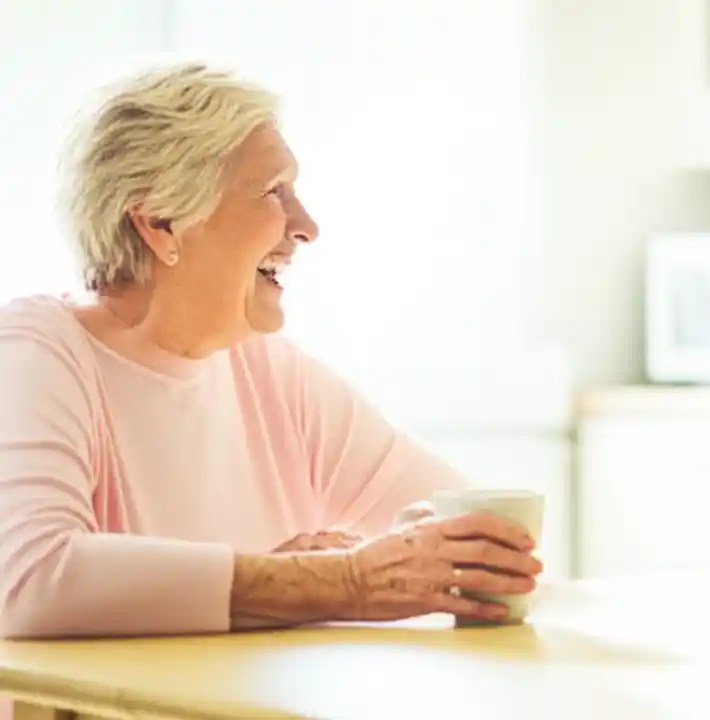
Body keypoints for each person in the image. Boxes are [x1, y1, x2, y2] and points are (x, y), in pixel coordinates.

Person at [0, 63, 543, 640]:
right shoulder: (36, 352)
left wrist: (335, 573)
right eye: (272, 192)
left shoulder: (268, 370)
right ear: (159, 223)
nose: (307, 226)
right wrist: (335, 582)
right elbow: (30, 581)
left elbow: (474, 535)